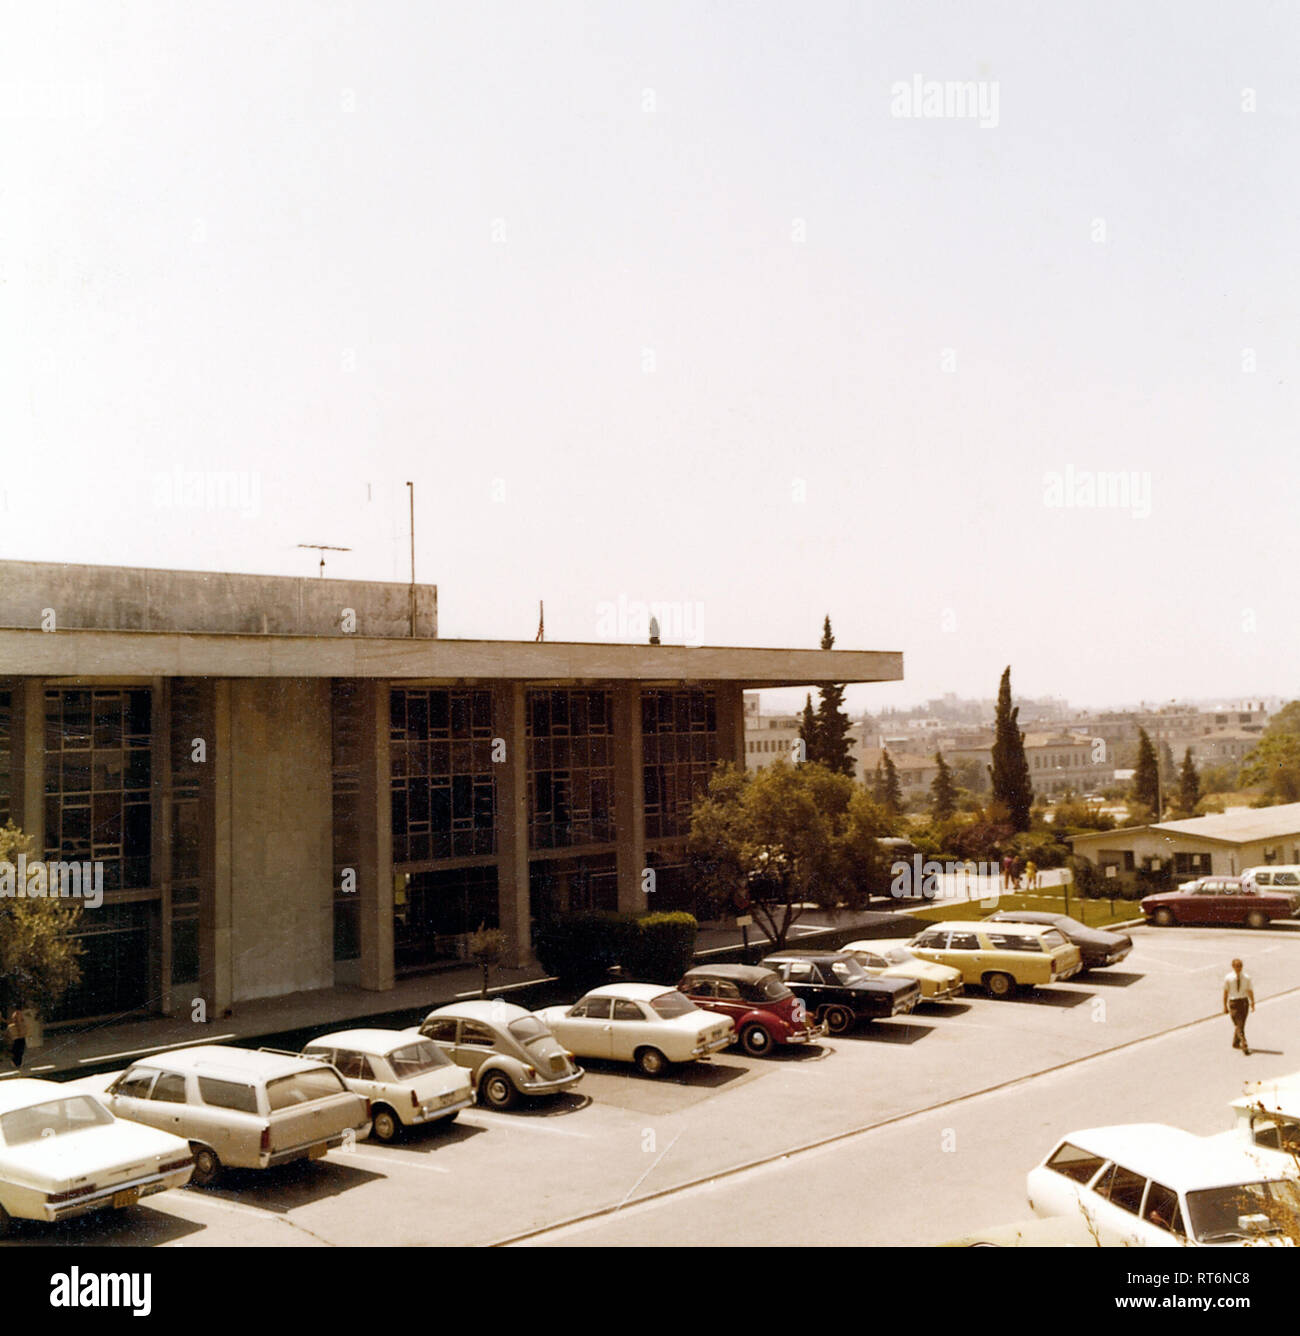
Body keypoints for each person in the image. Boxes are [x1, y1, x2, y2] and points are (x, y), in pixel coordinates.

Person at [1223, 959, 1255, 1055]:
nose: (1238, 968)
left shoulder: (1247, 978)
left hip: (1244, 1002)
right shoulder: (1228, 978)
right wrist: (1224, 1006)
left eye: (1240, 966)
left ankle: (1236, 1042)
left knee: (1240, 1024)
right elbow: (1225, 992)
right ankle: (1244, 1043)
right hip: (1233, 1002)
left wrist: (1253, 1002)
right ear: (1233, 967)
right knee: (1238, 1023)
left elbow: (1250, 990)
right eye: (1236, 966)